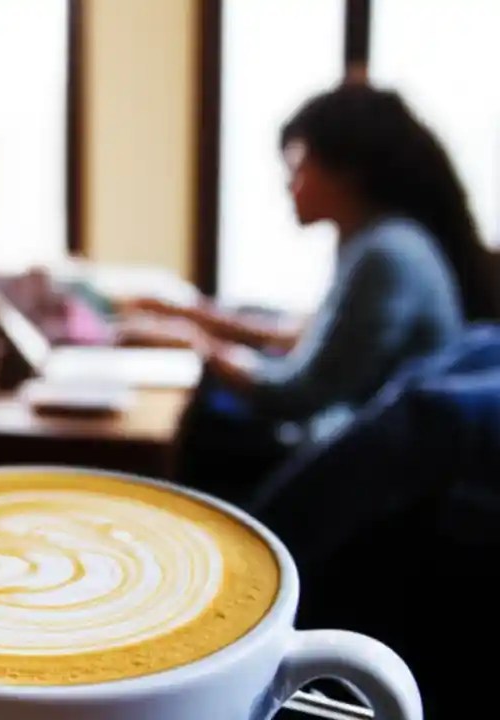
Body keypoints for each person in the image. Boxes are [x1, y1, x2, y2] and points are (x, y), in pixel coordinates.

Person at [138, 85, 498, 499]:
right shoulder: (379, 239)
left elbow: (297, 394)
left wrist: (197, 344)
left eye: (298, 167)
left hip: (353, 470)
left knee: (196, 433)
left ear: (346, 172)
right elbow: (305, 335)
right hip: (356, 445)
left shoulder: (385, 256)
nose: (289, 184)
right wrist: (194, 315)